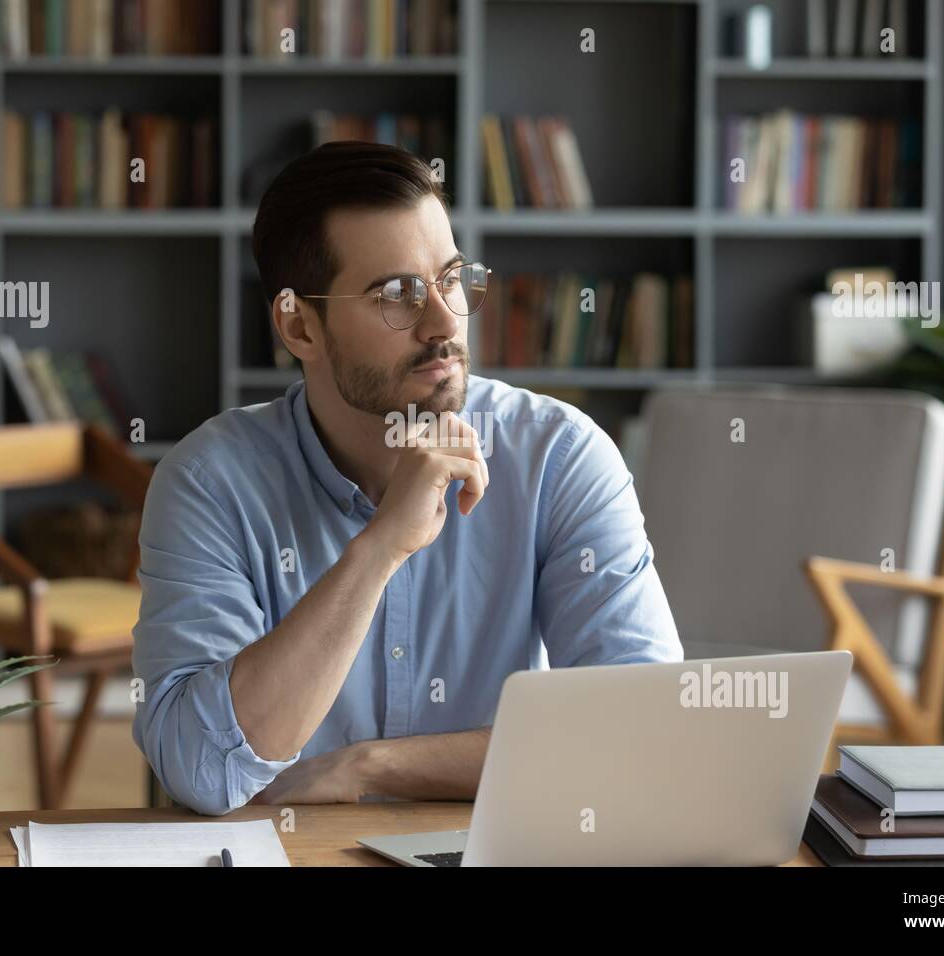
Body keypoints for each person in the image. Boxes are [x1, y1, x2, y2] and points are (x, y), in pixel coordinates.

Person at [132, 141, 681, 815]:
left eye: (451, 279)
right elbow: (203, 771)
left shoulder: (558, 457)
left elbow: (647, 733)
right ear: (299, 325)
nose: (446, 322)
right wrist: (381, 545)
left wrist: (371, 766)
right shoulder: (209, 483)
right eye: (396, 294)